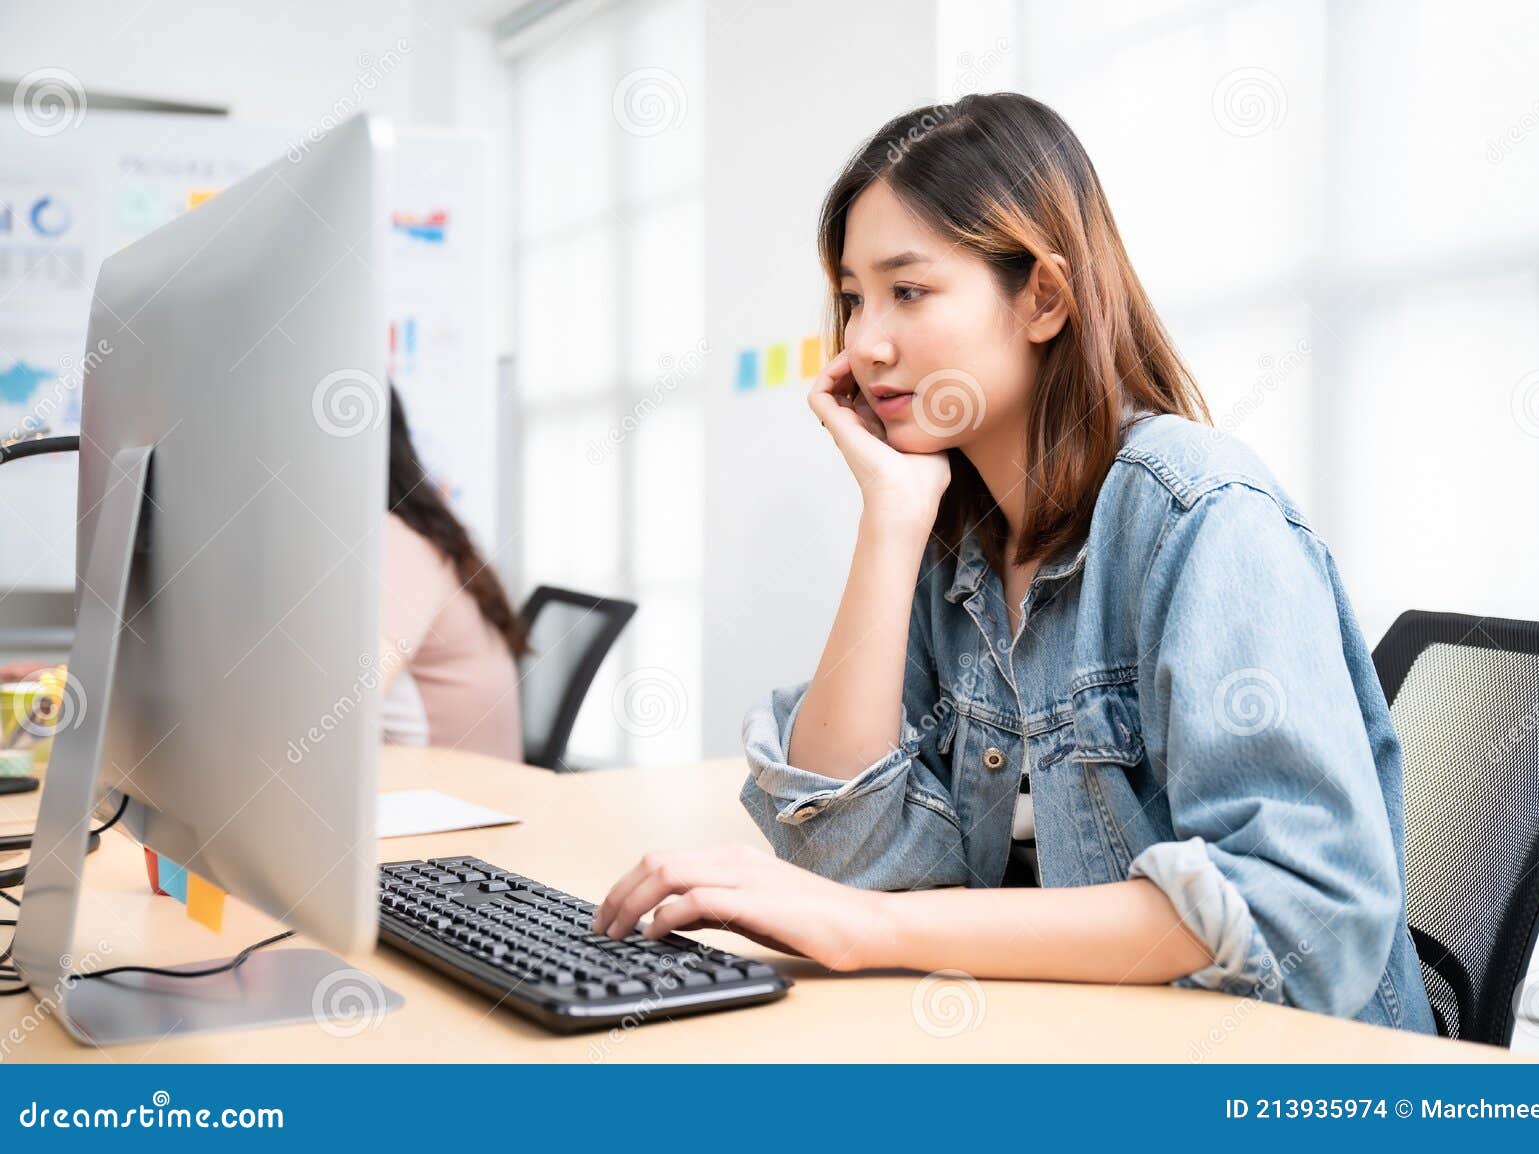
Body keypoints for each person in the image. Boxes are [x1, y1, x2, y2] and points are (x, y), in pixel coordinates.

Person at [591, 93, 1435, 1033]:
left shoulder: (1202, 516)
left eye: (907, 292)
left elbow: (1303, 918)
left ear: (1043, 298)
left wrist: (873, 926)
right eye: (851, 299)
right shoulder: (953, 535)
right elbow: (845, 862)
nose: (864, 342)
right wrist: (892, 517)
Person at [381, 385, 525, 763]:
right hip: (462, 791)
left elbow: (356, 691)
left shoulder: (394, 541)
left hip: (451, 802)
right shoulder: (418, 529)